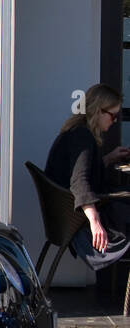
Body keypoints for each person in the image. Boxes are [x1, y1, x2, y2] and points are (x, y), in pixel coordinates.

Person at [45, 83, 130, 268]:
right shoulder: (82, 137)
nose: (114, 121)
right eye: (113, 116)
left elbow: (80, 170)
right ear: (98, 111)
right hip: (80, 223)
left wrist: (109, 158)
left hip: (64, 218)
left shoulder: (75, 132)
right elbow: (79, 181)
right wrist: (95, 221)